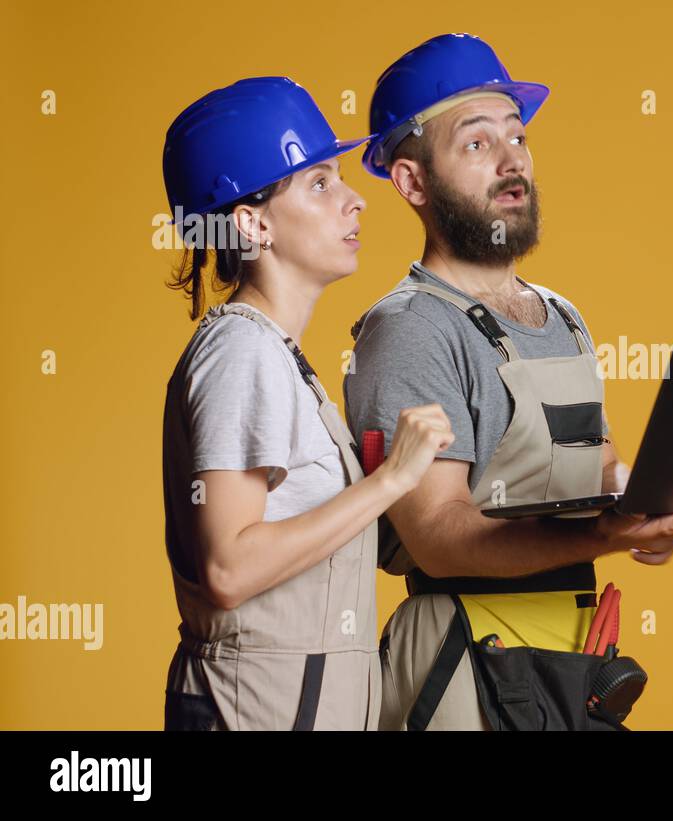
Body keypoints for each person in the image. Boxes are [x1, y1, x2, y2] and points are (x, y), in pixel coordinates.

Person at [346, 33, 673, 731]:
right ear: (412, 182)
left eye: (517, 136)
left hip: (566, 653)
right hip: (461, 658)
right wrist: (608, 535)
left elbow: (602, 468)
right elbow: (437, 534)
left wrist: (654, 513)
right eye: (476, 143)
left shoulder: (563, 315)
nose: (511, 157)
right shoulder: (409, 330)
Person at [159, 77, 454, 730]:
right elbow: (229, 567)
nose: (355, 202)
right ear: (252, 222)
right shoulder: (242, 352)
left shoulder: (281, 357)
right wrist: (391, 481)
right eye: (319, 183)